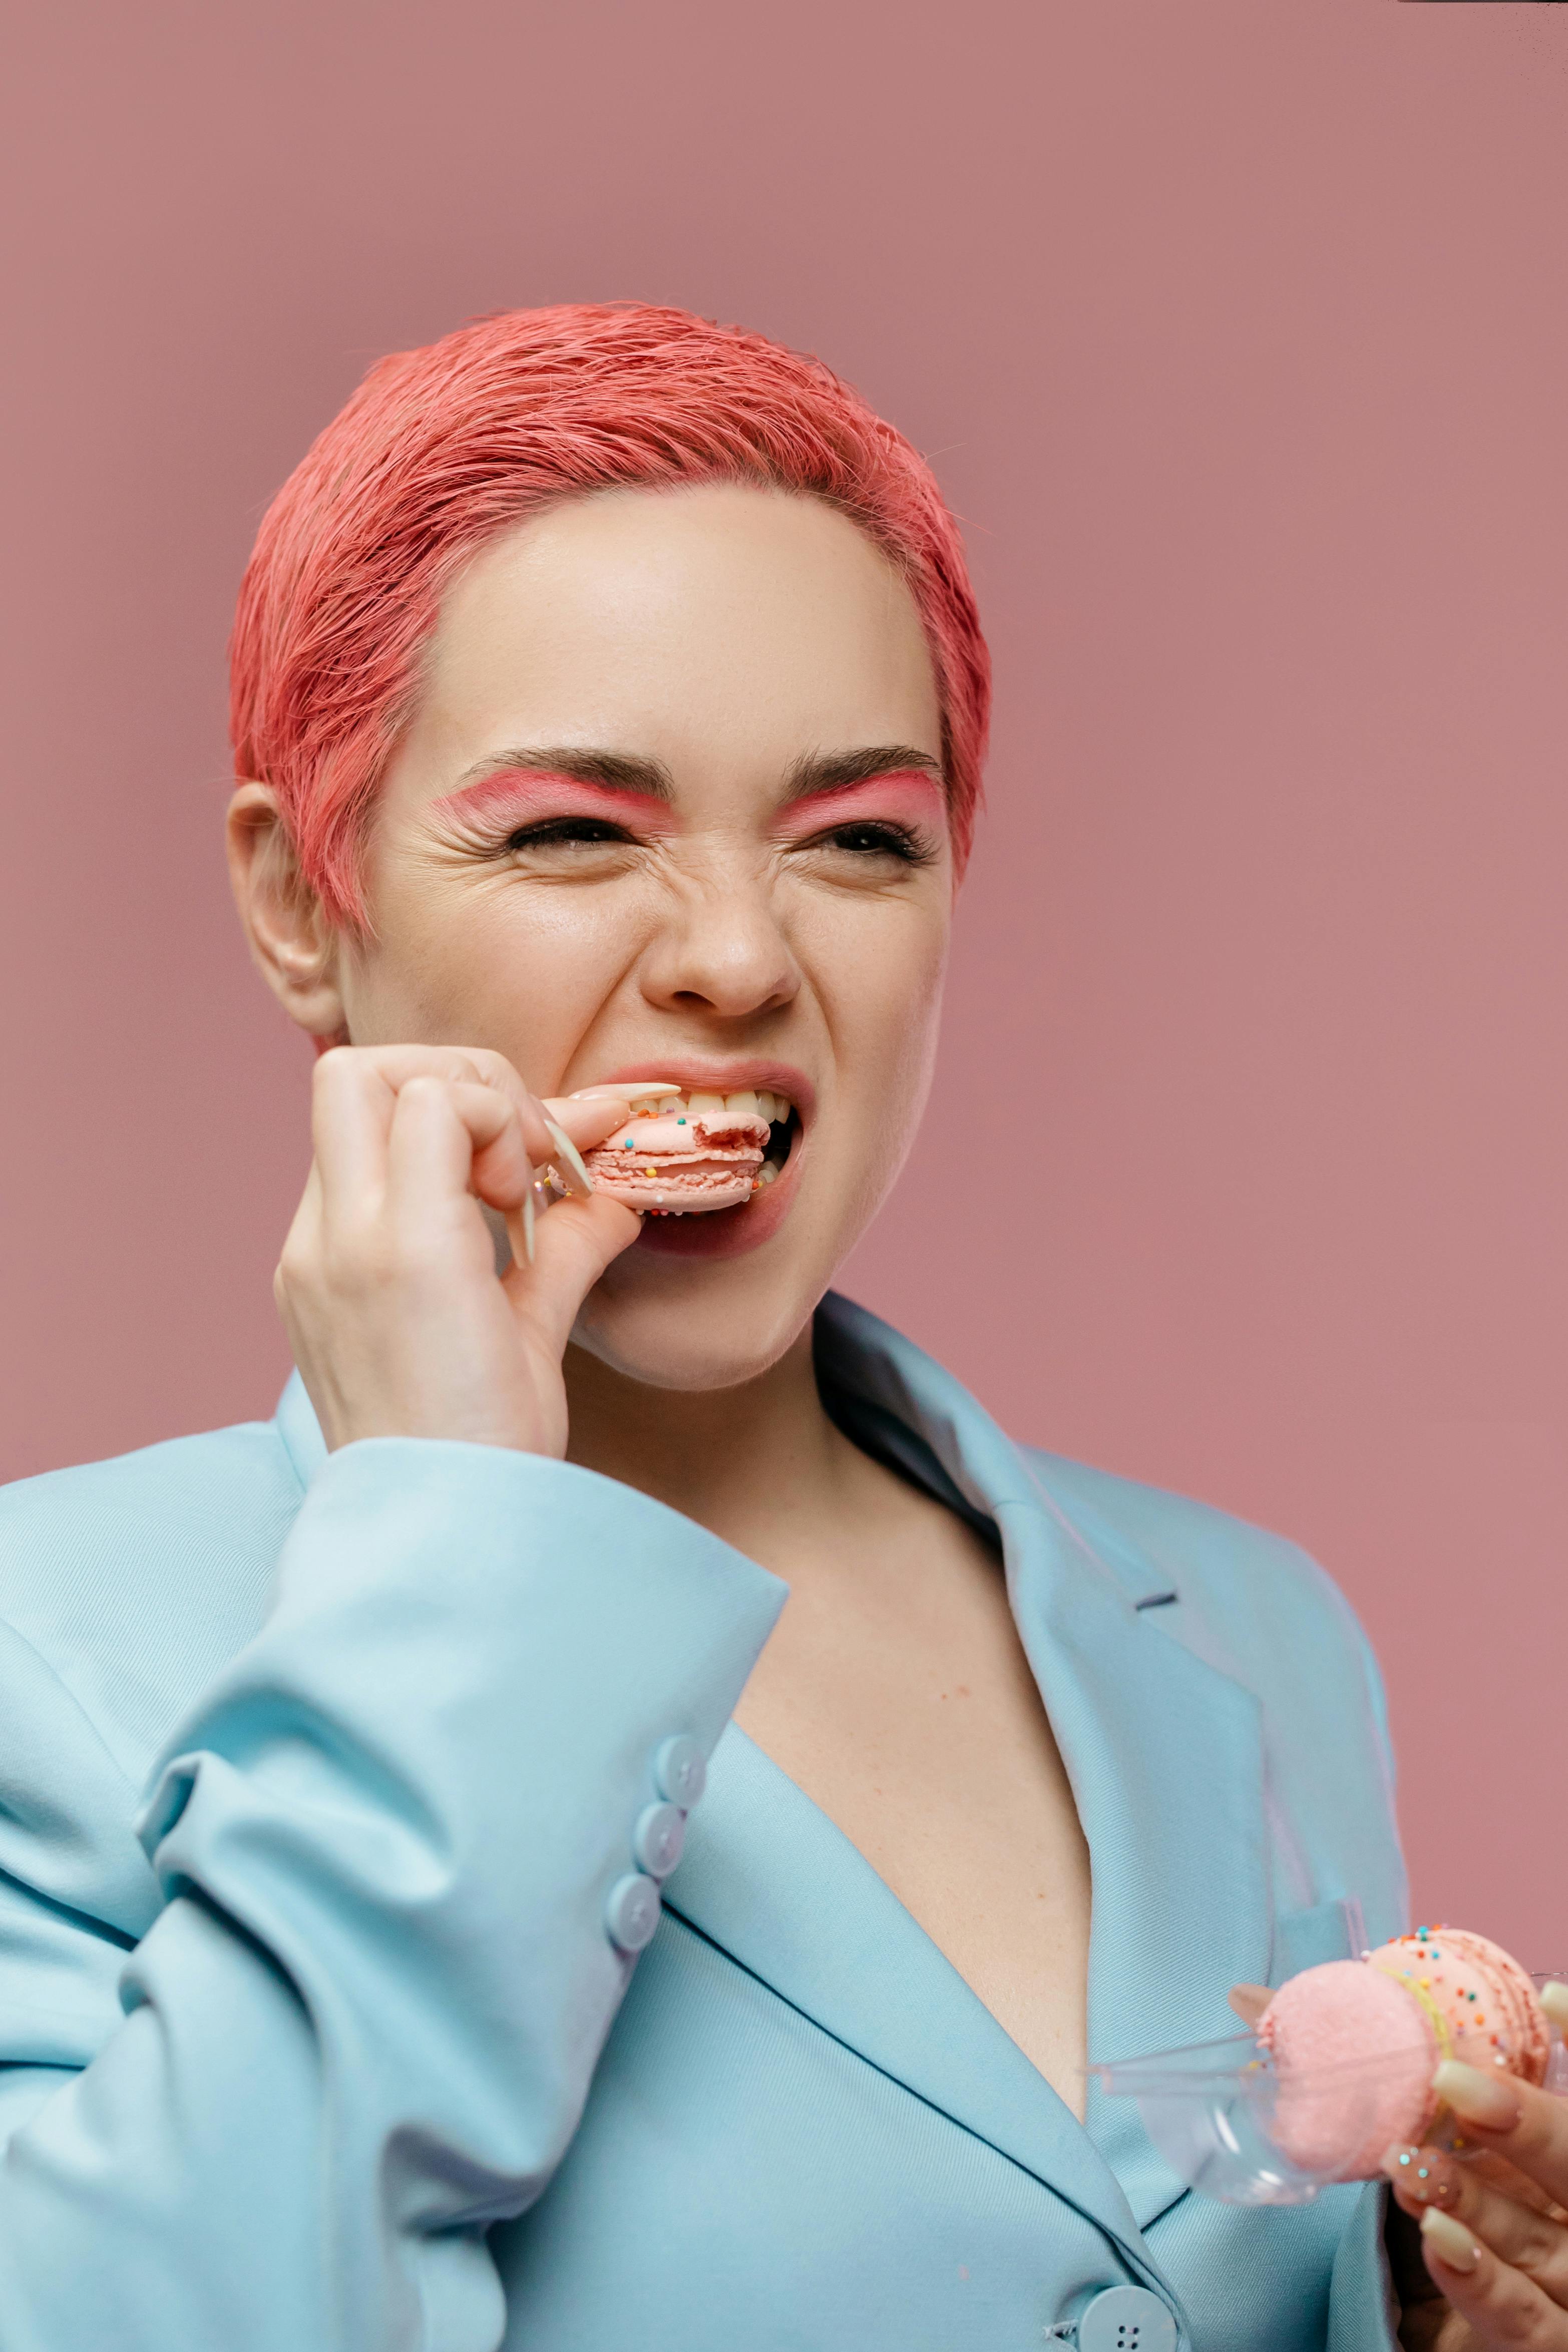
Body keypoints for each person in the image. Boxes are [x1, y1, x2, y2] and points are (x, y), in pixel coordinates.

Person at [0, 304, 1561, 2352]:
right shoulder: (45, 1663)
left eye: (859, 842)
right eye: (573, 829)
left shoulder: (1261, 1629)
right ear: (304, 901)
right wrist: (450, 1538)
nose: (738, 959)